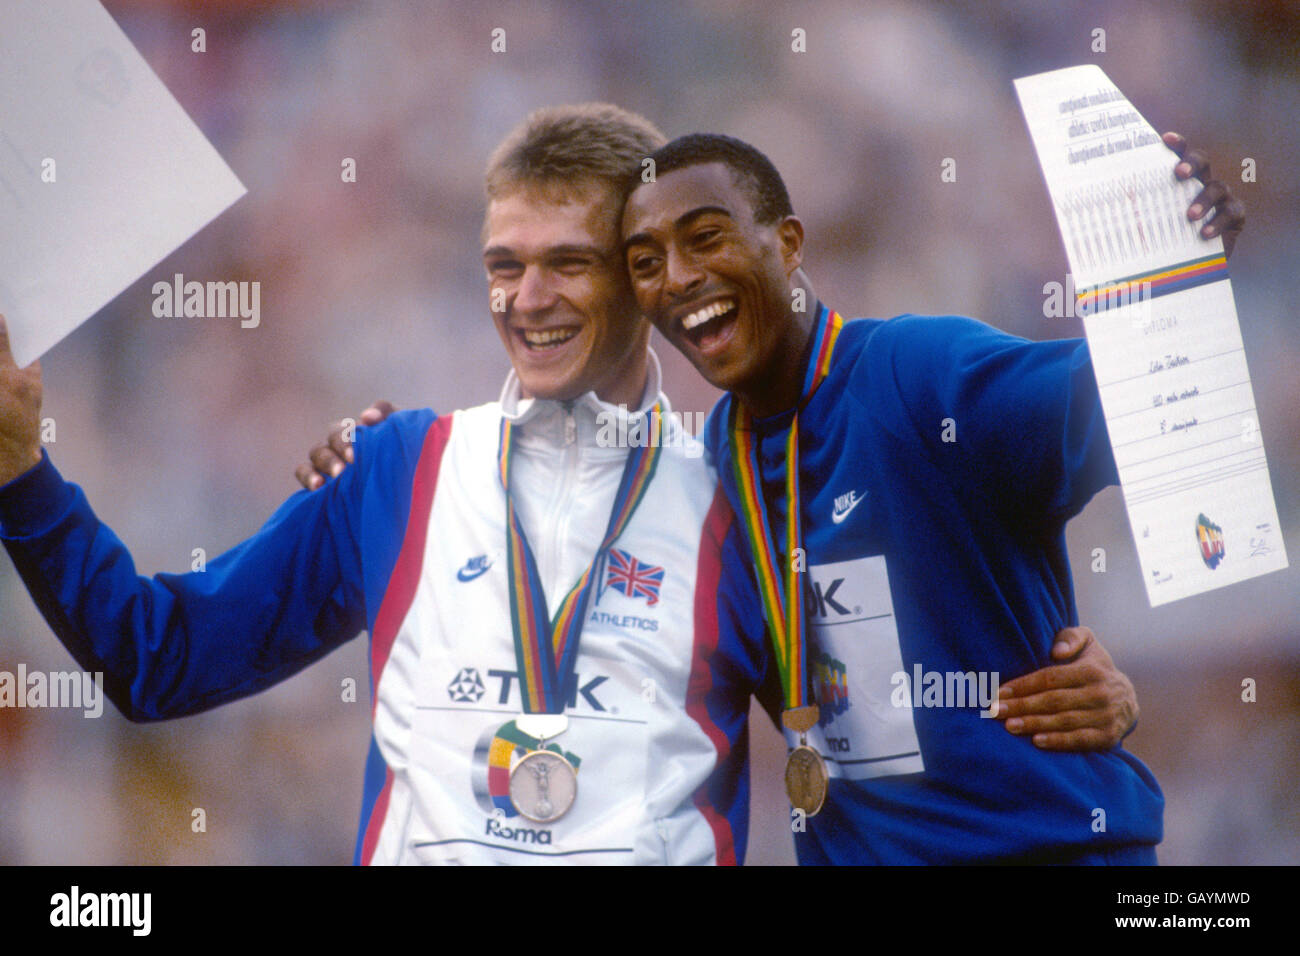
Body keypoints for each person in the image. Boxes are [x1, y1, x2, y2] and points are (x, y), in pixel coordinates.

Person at [1, 103, 1137, 867]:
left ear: (644, 280)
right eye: (503, 264)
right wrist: (21, 470)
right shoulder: (393, 468)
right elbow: (158, 655)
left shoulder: (738, 491)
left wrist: (1080, 694)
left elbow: (888, 732)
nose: (526, 297)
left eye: (570, 263)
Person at [616, 129, 1245, 863]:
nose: (679, 276)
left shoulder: (917, 375)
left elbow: (1119, 403)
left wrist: (1177, 274)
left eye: (706, 238)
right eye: (646, 263)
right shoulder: (713, 467)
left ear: (788, 244)